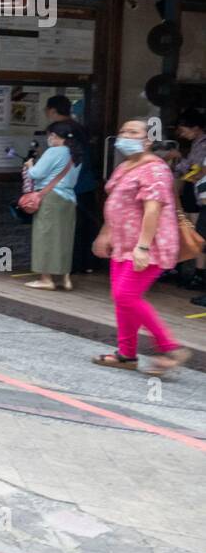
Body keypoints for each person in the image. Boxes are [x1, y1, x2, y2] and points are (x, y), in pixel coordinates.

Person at [92, 119, 192, 375]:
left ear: (147, 140)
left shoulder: (155, 169)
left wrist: (143, 248)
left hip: (148, 245)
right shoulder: (125, 166)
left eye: (133, 132)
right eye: (123, 131)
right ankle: (126, 354)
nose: (126, 136)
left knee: (126, 296)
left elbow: (153, 209)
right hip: (122, 242)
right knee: (121, 300)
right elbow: (116, 203)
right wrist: (105, 234)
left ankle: (170, 347)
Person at [24, 121, 82, 291]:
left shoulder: (54, 151)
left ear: (55, 136)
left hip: (51, 197)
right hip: (69, 198)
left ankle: (46, 279)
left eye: (50, 135)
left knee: (45, 236)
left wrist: (30, 165)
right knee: (64, 238)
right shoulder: (76, 153)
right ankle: (65, 278)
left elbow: (36, 174)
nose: (49, 138)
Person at [45, 95, 98, 274]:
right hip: (86, 184)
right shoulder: (80, 128)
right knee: (84, 226)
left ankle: (69, 265)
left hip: (68, 187)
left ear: (52, 110)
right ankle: (86, 263)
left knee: (68, 227)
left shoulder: (59, 130)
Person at [169, 109, 206, 300]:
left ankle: (199, 274)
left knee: (199, 236)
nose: (183, 135)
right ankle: (197, 273)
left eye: (184, 130)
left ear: (196, 128)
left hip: (201, 195)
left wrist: (182, 172)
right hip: (198, 195)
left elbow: (197, 170)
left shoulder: (203, 145)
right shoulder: (197, 144)